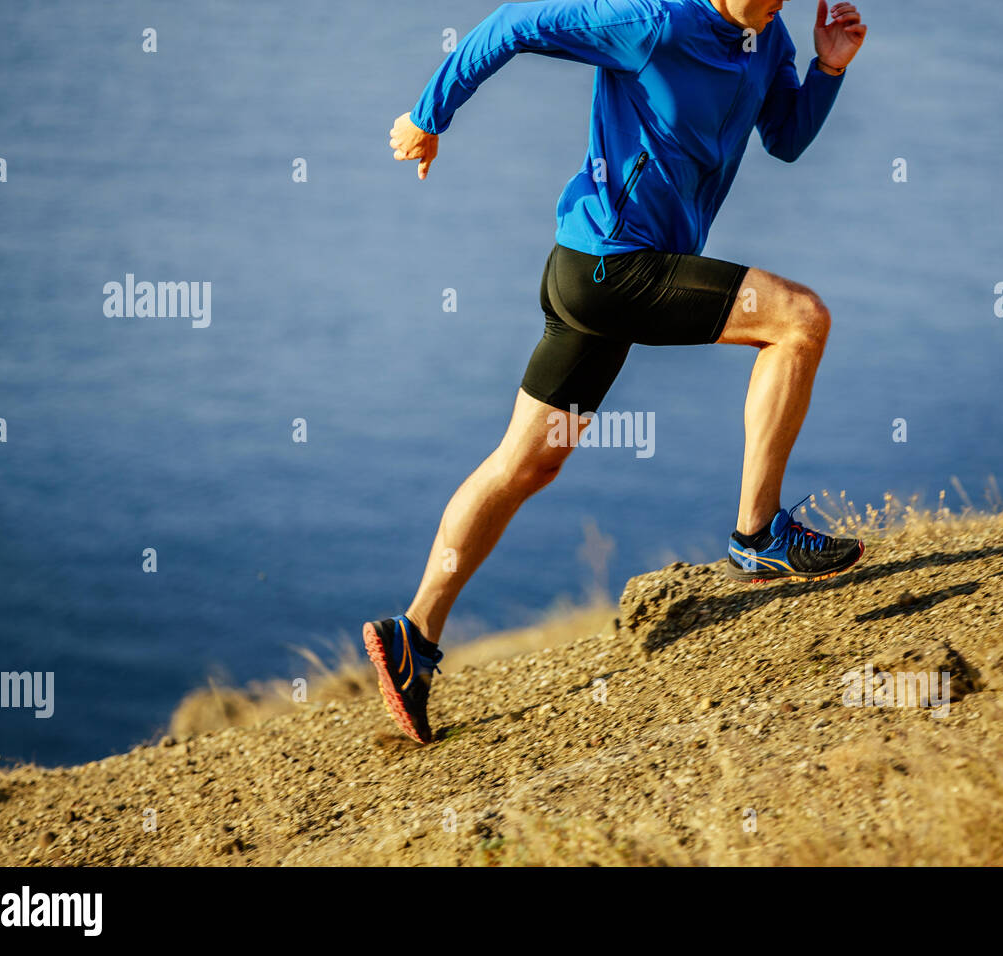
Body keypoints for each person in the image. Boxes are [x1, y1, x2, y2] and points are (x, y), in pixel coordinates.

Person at [365, 0, 868, 743]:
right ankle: (757, 534)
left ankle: (414, 637)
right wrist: (428, 115)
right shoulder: (655, 20)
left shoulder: (769, 40)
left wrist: (828, 69)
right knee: (799, 320)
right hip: (610, 268)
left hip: (602, 274)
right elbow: (514, 25)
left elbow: (785, 139)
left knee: (527, 463)